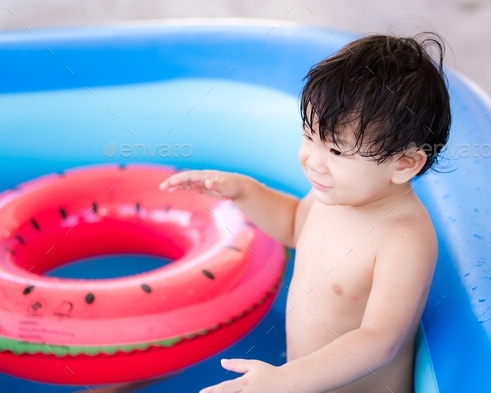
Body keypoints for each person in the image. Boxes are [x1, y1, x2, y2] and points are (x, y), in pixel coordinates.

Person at [159, 31, 452, 393]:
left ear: (405, 164)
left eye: (337, 152)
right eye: (308, 136)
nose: (312, 161)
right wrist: (241, 190)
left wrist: (286, 379)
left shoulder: (403, 237)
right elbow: (295, 225)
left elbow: (379, 341)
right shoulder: (338, 195)